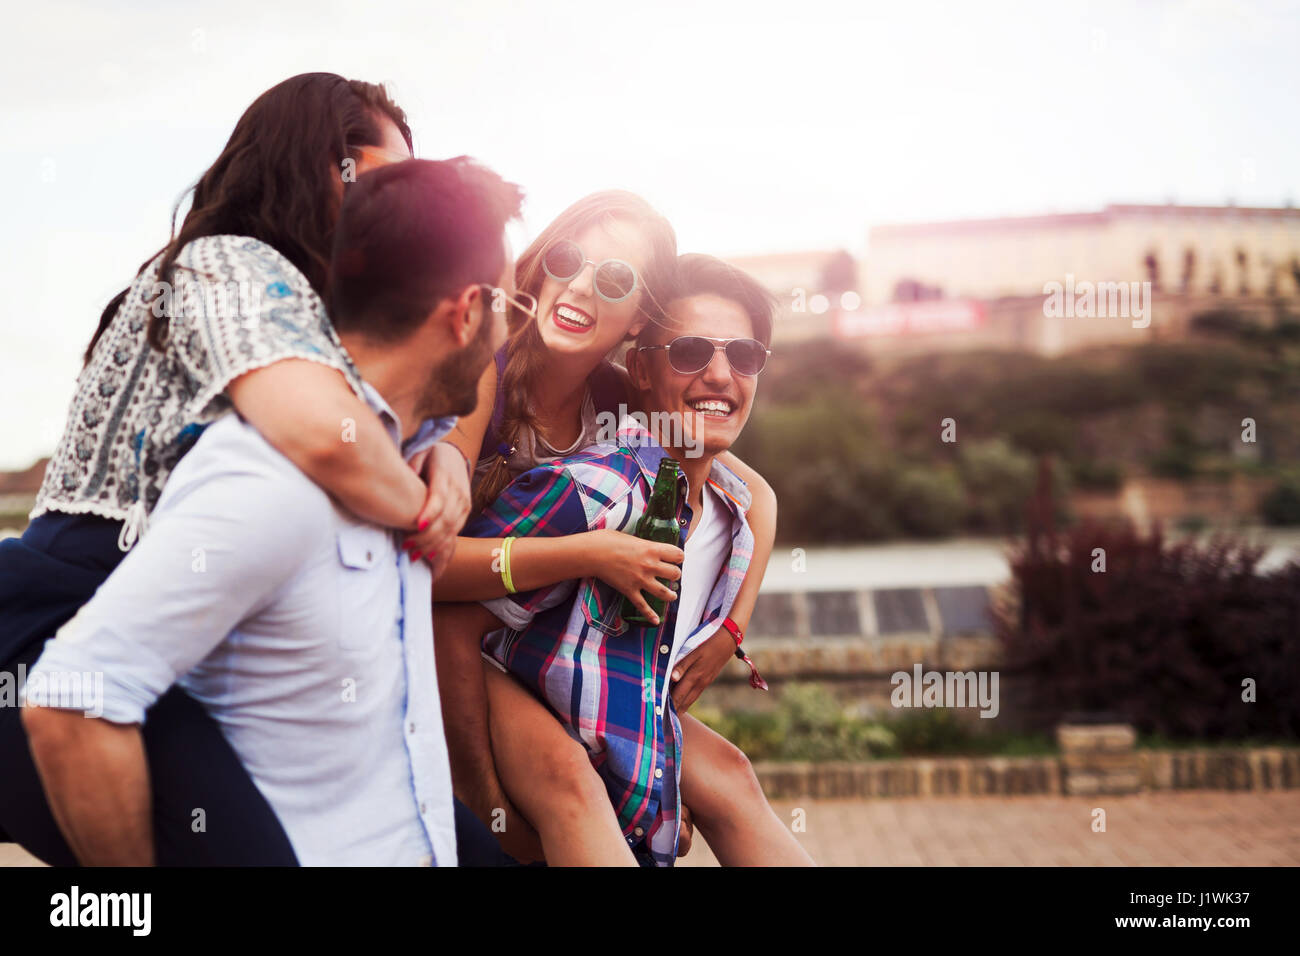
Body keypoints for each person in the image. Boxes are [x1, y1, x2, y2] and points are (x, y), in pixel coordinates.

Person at [0, 73, 469, 865]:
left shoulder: (317, 308)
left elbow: (409, 417)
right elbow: (327, 437)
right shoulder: (224, 266)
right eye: (383, 181)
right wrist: (424, 514)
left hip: (179, 629)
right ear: (322, 165)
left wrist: (445, 454)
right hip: (57, 615)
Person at [451, 254, 814, 865]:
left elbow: (643, 678)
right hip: (534, 755)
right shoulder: (592, 491)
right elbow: (446, 607)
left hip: (617, 746)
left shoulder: (734, 513)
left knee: (730, 774)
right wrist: (483, 793)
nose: (722, 375)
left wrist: (731, 628)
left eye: (745, 355)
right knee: (575, 792)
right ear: (640, 373)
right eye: (691, 351)